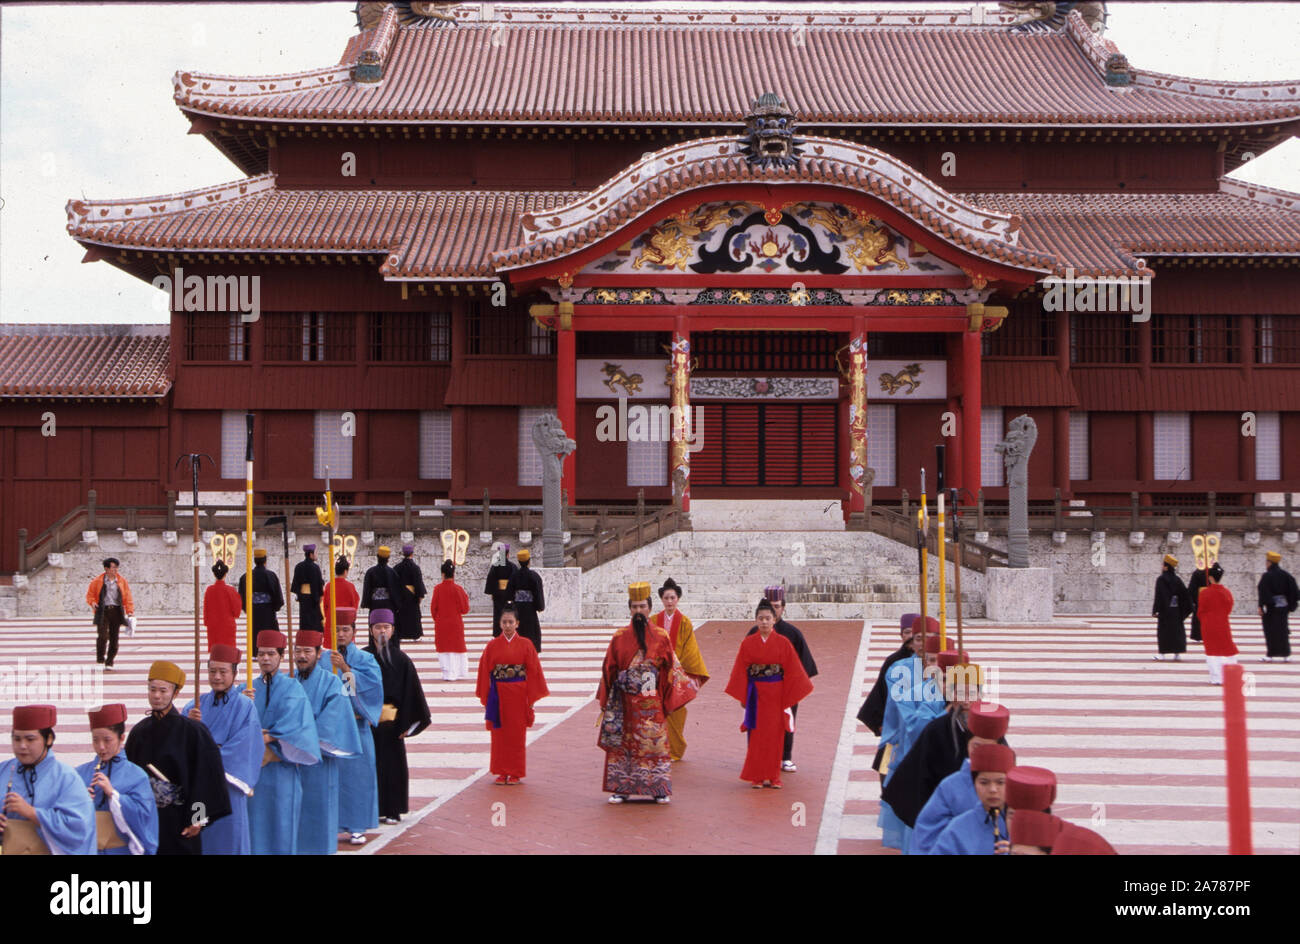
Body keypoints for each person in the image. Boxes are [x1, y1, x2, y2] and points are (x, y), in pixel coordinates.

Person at [597, 582, 698, 804]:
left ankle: (658, 788)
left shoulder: (661, 636)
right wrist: (606, 700)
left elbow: (671, 668)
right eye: (634, 607)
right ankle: (621, 788)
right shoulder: (620, 636)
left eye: (642, 606)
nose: (638, 611)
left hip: (651, 699)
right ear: (629, 609)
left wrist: (669, 697)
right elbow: (609, 669)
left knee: (654, 743)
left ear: (650, 608)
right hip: (625, 701)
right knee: (624, 744)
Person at [124, 661, 231, 854]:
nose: (157, 696)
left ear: (175, 693)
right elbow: (127, 777)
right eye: (152, 690)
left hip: (181, 819)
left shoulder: (193, 731)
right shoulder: (138, 732)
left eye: (163, 691)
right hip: (148, 818)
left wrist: (199, 818)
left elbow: (206, 779)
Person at [882, 650, 990, 831]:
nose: (965, 701)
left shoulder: (989, 726)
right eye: (959, 692)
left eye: (971, 692)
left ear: (980, 694)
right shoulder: (935, 726)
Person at [725, 599, 814, 789]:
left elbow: (793, 669)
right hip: (756, 693)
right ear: (756, 620)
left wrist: (789, 695)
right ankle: (757, 777)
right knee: (756, 734)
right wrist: (743, 696)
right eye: (760, 618)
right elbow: (741, 668)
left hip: (776, 693)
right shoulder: (748, 643)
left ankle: (774, 777)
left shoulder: (783, 642)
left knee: (775, 735)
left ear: (774, 620)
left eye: (768, 618)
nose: (764, 622)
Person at [182, 644, 263, 855]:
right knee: (201, 835)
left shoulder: (244, 706)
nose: (216, 677)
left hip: (229, 785)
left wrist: (207, 758)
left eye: (223, 671)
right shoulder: (195, 706)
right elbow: (180, 744)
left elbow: (244, 747)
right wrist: (189, 727)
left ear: (235, 673)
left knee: (230, 838)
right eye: (212, 671)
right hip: (200, 789)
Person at [248, 629, 320, 855]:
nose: (265, 659)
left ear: (281, 656)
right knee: (255, 824)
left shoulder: (292, 688)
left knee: (282, 824)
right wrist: (241, 704)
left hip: (281, 769)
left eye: (271, 654)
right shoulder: (247, 689)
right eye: (261, 654)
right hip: (254, 772)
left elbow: (296, 722)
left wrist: (266, 738)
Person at [293, 629, 363, 854]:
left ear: (319, 653)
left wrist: (297, 738)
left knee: (319, 814)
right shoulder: (287, 682)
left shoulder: (332, 683)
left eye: (307, 651)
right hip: (289, 763)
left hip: (319, 762)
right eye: (298, 651)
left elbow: (333, 722)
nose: (302, 656)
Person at [911, 701, 1011, 855]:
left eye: (989, 747)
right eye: (976, 746)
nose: (992, 790)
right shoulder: (950, 787)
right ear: (967, 745)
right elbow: (926, 835)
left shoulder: (1013, 786)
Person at [877, 634, 946, 852]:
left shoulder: (969, 703)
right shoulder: (909, 687)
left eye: (940, 662)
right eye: (931, 660)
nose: (935, 667)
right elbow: (909, 726)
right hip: (916, 757)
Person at [365, 609, 431, 824]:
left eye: (386, 627)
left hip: (392, 722)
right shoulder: (363, 657)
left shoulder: (402, 660)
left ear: (393, 630)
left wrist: (407, 724)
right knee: (368, 765)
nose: (382, 631)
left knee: (392, 766)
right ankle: (371, 808)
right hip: (368, 721)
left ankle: (392, 809)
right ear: (371, 630)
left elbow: (412, 693)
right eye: (378, 627)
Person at [0, 705, 96, 854]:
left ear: (49, 739)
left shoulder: (66, 777)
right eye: (16, 739)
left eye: (30, 739)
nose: (22, 746)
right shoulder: (3, 770)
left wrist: (33, 813)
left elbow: (80, 827)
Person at [747, 585, 818, 772]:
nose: (773, 610)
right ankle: (759, 757)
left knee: (787, 720)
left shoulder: (793, 634)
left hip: (786, 687)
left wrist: (793, 684)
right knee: (759, 723)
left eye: (777, 606)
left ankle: (785, 757)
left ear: (783, 607)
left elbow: (804, 664)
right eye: (770, 606)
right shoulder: (753, 633)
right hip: (761, 688)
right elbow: (745, 663)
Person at [476, 604, 549, 785]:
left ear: (517, 623)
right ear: (499, 624)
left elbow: (533, 671)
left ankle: (515, 771)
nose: (507, 625)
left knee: (516, 734)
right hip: (498, 694)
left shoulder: (526, 644)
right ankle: (501, 771)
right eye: (504, 622)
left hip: (518, 694)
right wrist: (486, 694)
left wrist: (530, 699)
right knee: (499, 734)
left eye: (511, 622)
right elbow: (485, 670)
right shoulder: (492, 645)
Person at [327, 608, 382, 845]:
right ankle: (333, 825)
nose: (340, 634)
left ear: (354, 632)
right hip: (332, 729)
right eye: (336, 629)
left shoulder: (365, 659)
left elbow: (372, 688)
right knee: (332, 779)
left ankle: (358, 826)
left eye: (345, 629)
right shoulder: (322, 660)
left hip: (357, 727)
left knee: (358, 778)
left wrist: (347, 669)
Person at [76, 703, 158, 855]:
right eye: (95, 740)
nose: (101, 747)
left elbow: (146, 818)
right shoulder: (79, 774)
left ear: (121, 738)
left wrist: (114, 795)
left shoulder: (136, 775)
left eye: (107, 740)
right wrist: (80, 804)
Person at [652, 578, 710, 762]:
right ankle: (658, 748)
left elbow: (689, 649)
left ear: (678, 599)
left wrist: (677, 665)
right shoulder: (653, 620)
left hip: (677, 673)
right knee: (657, 710)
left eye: (673, 598)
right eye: (666, 598)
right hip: (659, 673)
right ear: (661, 599)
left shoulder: (684, 622)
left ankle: (675, 750)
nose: (669, 601)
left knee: (676, 710)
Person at [927, 743, 1017, 855]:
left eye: (1000, 782)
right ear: (974, 784)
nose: (993, 789)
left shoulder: (1024, 823)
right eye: (984, 783)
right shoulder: (958, 828)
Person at [858, 613, 922, 740]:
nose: (911, 637)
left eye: (916, 634)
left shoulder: (934, 661)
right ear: (901, 635)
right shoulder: (893, 662)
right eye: (907, 632)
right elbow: (881, 694)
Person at [87, 557, 134, 670]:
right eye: (113, 567)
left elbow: (127, 597)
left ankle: (110, 661)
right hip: (103, 610)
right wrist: (92, 603)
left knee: (114, 637)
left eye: (116, 567)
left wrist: (130, 611)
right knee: (102, 635)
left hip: (116, 611)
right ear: (106, 568)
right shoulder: (97, 581)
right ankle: (100, 657)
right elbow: (90, 595)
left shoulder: (122, 581)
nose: (115, 570)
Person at [430, 560, 471, 681]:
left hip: (442, 622)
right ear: (454, 574)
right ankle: (458, 672)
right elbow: (465, 609)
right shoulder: (459, 589)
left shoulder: (437, 589)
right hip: (455, 623)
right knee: (456, 646)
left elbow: (433, 608)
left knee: (444, 647)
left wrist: (437, 619)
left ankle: (447, 672)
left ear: (442, 574)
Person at [1198, 563, 1239, 685]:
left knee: (1212, 651)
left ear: (1210, 578)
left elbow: (1201, 611)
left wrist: (1204, 619)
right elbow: (1229, 607)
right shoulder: (1226, 592)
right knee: (1226, 648)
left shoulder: (1205, 593)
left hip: (1208, 625)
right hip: (1223, 624)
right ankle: (1230, 674)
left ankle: (1216, 677)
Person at [1258, 550, 1298, 662]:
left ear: (1270, 563)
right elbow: (1294, 591)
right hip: (1283, 607)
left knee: (1270, 631)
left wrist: (1261, 606)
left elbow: (1262, 591)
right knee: (1283, 630)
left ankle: (1270, 654)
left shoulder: (1267, 576)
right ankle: (1286, 654)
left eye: (1266, 562)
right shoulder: (1286, 575)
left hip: (1271, 608)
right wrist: (1290, 604)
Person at [506, 548, 546, 652]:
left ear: (519, 562)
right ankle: (531, 651)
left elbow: (509, 593)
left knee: (519, 630)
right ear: (529, 561)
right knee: (531, 632)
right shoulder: (534, 576)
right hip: (530, 609)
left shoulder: (514, 576)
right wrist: (540, 606)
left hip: (517, 608)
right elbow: (538, 593)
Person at [1152, 553, 1190, 661]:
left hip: (1165, 612)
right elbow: (1185, 595)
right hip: (1176, 611)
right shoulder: (1177, 580)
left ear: (1166, 567)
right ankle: (1177, 653)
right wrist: (1183, 611)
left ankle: (1162, 653)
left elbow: (1158, 596)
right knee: (1176, 632)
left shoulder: (1161, 579)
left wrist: (1155, 610)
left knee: (1164, 633)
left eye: (1163, 565)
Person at [239, 548, 285, 635]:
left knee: (255, 636)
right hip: (268, 611)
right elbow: (277, 595)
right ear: (265, 561)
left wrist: (247, 608)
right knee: (269, 637)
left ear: (255, 561)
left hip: (253, 611)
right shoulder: (271, 575)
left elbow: (242, 595)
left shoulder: (246, 576)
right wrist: (275, 607)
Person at [362, 546, 402, 645]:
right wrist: (397, 605)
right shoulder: (392, 572)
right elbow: (396, 591)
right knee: (389, 629)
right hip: (389, 605)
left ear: (377, 557)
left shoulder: (370, 572)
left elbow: (367, 590)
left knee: (374, 627)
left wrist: (367, 603)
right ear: (388, 559)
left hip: (375, 605)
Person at [393, 543, 428, 645]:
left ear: (403, 553)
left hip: (401, 596)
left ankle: (400, 634)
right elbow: (418, 583)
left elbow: (394, 583)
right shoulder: (415, 567)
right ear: (412, 553)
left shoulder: (397, 567)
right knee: (414, 616)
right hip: (412, 597)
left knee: (401, 616)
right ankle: (415, 635)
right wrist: (420, 596)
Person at [203, 560, 242, 652]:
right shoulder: (230, 590)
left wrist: (207, 622)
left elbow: (206, 608)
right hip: (227, 623)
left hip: (213, 624)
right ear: (225, 574)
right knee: (228, 649)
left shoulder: (209, 590)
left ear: (214, 574)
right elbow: (236, 609)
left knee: (215, 649)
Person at [484, 542, 517, 637]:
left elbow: (491, 579)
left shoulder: (495, 566)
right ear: (508, 554)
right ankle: (511, 631)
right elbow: (515, 579)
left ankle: (498, 633)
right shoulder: (512, 566)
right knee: (510, 612)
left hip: (498, 593)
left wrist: (492, 592)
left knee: (498, 614)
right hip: (509, 593)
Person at [326, 556, 361, 642]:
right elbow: (354, 605)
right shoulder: (350, 586)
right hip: (346, 622)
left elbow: (325, 605)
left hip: (332, 621)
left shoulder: (329, 585)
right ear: (346, 571)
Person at [291, 544, 324, 633]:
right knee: (315, 623)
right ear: (311, 554)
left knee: (304, 622)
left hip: (303, 599)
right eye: (315, 553)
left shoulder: (298, 566)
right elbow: (318, 584)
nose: (316, 555)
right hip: (313, 598)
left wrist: (300, 594)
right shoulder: (315, 567)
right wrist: (320, 596)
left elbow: (295, 585)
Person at [1187, 564, 1207, 644]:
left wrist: (1193, 599)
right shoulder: (1212, 571)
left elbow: (1192, 588)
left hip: (1200, 597)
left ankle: (1198, 635)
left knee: (1199, 617)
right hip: (1205, 597)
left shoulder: (1197, 572)